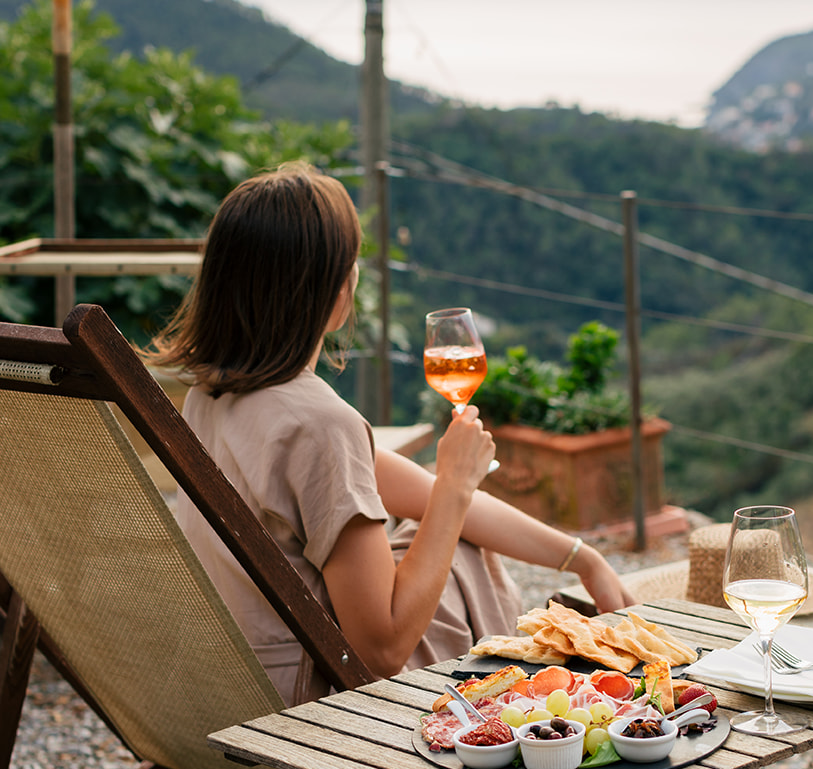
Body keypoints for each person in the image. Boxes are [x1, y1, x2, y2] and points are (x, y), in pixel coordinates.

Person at [146, 162, 636, 703]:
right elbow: (380, 653)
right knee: (460, 548)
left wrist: (582, 558)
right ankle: (504, 721)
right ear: (332, 294)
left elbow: (420, 495)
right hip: (311, 706)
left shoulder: (210, 397)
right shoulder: (321, 426)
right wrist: (454, 485)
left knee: (432, 519)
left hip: (230, 686)